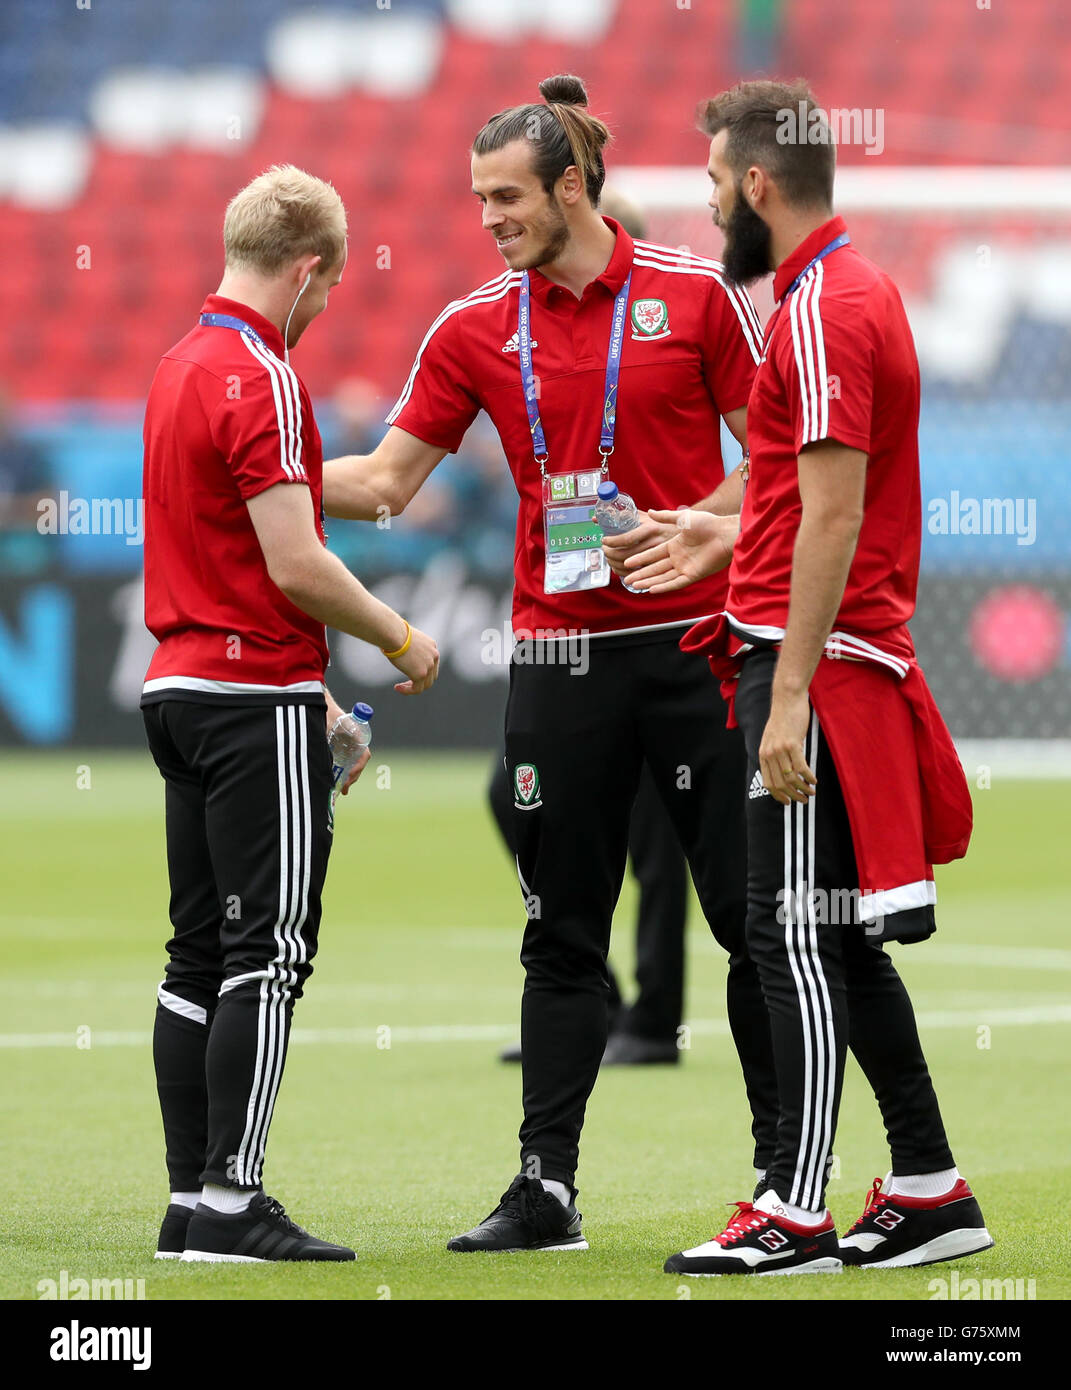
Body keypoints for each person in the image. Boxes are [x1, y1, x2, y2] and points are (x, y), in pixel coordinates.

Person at [323, 75, 779, 1253]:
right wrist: (247, 465)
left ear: (572, 186)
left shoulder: (695, 297)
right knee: (561, 930)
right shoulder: (477, 323)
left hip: (698, 650)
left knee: (748, 919)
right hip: (560, 659)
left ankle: (787, 1180)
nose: (489, 218)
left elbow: (777, 460)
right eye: (479, 199)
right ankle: (546, 1188)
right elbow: (384, 482)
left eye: (508, 196)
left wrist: (699, 526)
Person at [623, 80, 994, 1276]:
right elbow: (802, 496)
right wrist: (719, 531)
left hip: (815, 668)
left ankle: (792, 1205)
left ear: (758, 186)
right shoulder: (831, 294)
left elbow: (835, 515)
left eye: (714, 180)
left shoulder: (825, 305)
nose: (707, 199)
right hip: (813, 649)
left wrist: (785, 693)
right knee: (836, 936)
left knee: (789, 937)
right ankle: (930, 1185)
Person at [140, 165, 438, 1264]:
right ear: (307, 270)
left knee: (193, 956)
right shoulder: (262, 373)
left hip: (177, 684)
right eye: (328, 291)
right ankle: (233, 1198)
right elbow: (298, 560)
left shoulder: (179, 367)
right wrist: (400, 638)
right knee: (266, 952)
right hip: (247, 695)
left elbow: (235, 542)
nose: (322, 313)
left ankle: (186, 1202)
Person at [491, 189, 689, 1071]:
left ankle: (653, 1018)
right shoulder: (529, 333)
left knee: (659, 843)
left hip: (663, 621)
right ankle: (596, 995)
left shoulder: (666, 321)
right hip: (571, 630)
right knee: (518, 800)